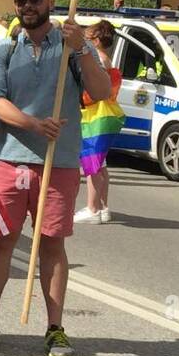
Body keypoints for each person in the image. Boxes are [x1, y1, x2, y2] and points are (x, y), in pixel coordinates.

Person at [0, 0, 112, 356]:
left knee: (52, 245)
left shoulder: (71, 46)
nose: (28, 6)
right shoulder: (2, 50)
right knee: (1, 242)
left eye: (35, 0)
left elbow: (102, 91)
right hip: (7, 160)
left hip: (57, 161)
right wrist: (33, 124)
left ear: (49, 2)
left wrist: (80, 50)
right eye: (21, 0)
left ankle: (55, 328)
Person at [74, 19, 122, 225]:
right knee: (100, 164)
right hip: (103, 114)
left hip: (95, 116)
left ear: (95, 40)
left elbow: (93, 91)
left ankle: (93, 208)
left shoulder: (98, 60)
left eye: (87, 36)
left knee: (91, 163)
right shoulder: (106, 59)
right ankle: (102, 206)